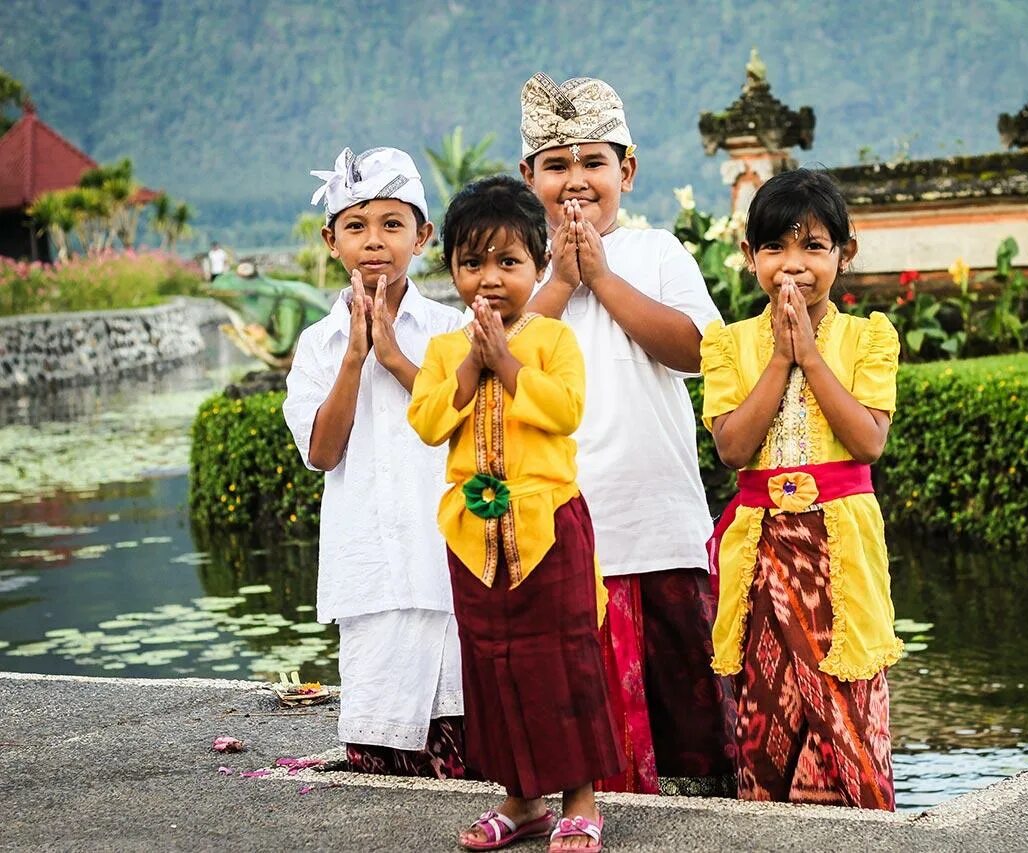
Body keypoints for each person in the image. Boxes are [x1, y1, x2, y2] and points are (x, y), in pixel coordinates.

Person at [520, 72, 735, 796]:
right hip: (564, 539)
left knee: (693, 740)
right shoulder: (518, 272)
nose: (575, 181)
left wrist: (603, 278)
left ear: (627, 172)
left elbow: (699, 351)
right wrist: (558, 281)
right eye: (556, 165)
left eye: (593, 162)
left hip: (661, 529)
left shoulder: (658, 254)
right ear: (529, 176)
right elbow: (497, 368)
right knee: (594, 735)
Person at [408, 175, 621, 853]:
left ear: (539, 264)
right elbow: (427, 420)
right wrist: (473, 366)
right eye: (472, 264)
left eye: (508, 262)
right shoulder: (445, 349)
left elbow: (564, 412)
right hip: (474, 537)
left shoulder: (553, 340)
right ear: (452, 271)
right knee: (491, 663)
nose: (490, 279)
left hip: (549, 527)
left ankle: (580, 799)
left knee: (564, 660)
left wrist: (506, 359)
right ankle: (521, 800)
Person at [701, 168, 903, 808]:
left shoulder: (868, 336)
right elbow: (734, 449)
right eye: (775, 248)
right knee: (766, 710)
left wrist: (810, 355)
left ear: (846, 253)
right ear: (748, 257)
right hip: (763, 554)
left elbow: (869, 442)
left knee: (848, 698)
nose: (794, 265)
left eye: (813, 247)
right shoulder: (727, 345)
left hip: (839, 549)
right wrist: (780, 357)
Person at [282, 147, 467, 778]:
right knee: (377, 768)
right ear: (331, 240)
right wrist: (355, 357)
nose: (375, 243)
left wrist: (393, 356)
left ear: (423, 236)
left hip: (447, 564)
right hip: (370, 573)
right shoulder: (317, 344)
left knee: (464, 756)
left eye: (393, 224)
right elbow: (322, 451)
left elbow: (468, 423)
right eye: (357, 227)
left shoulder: (454, 328)